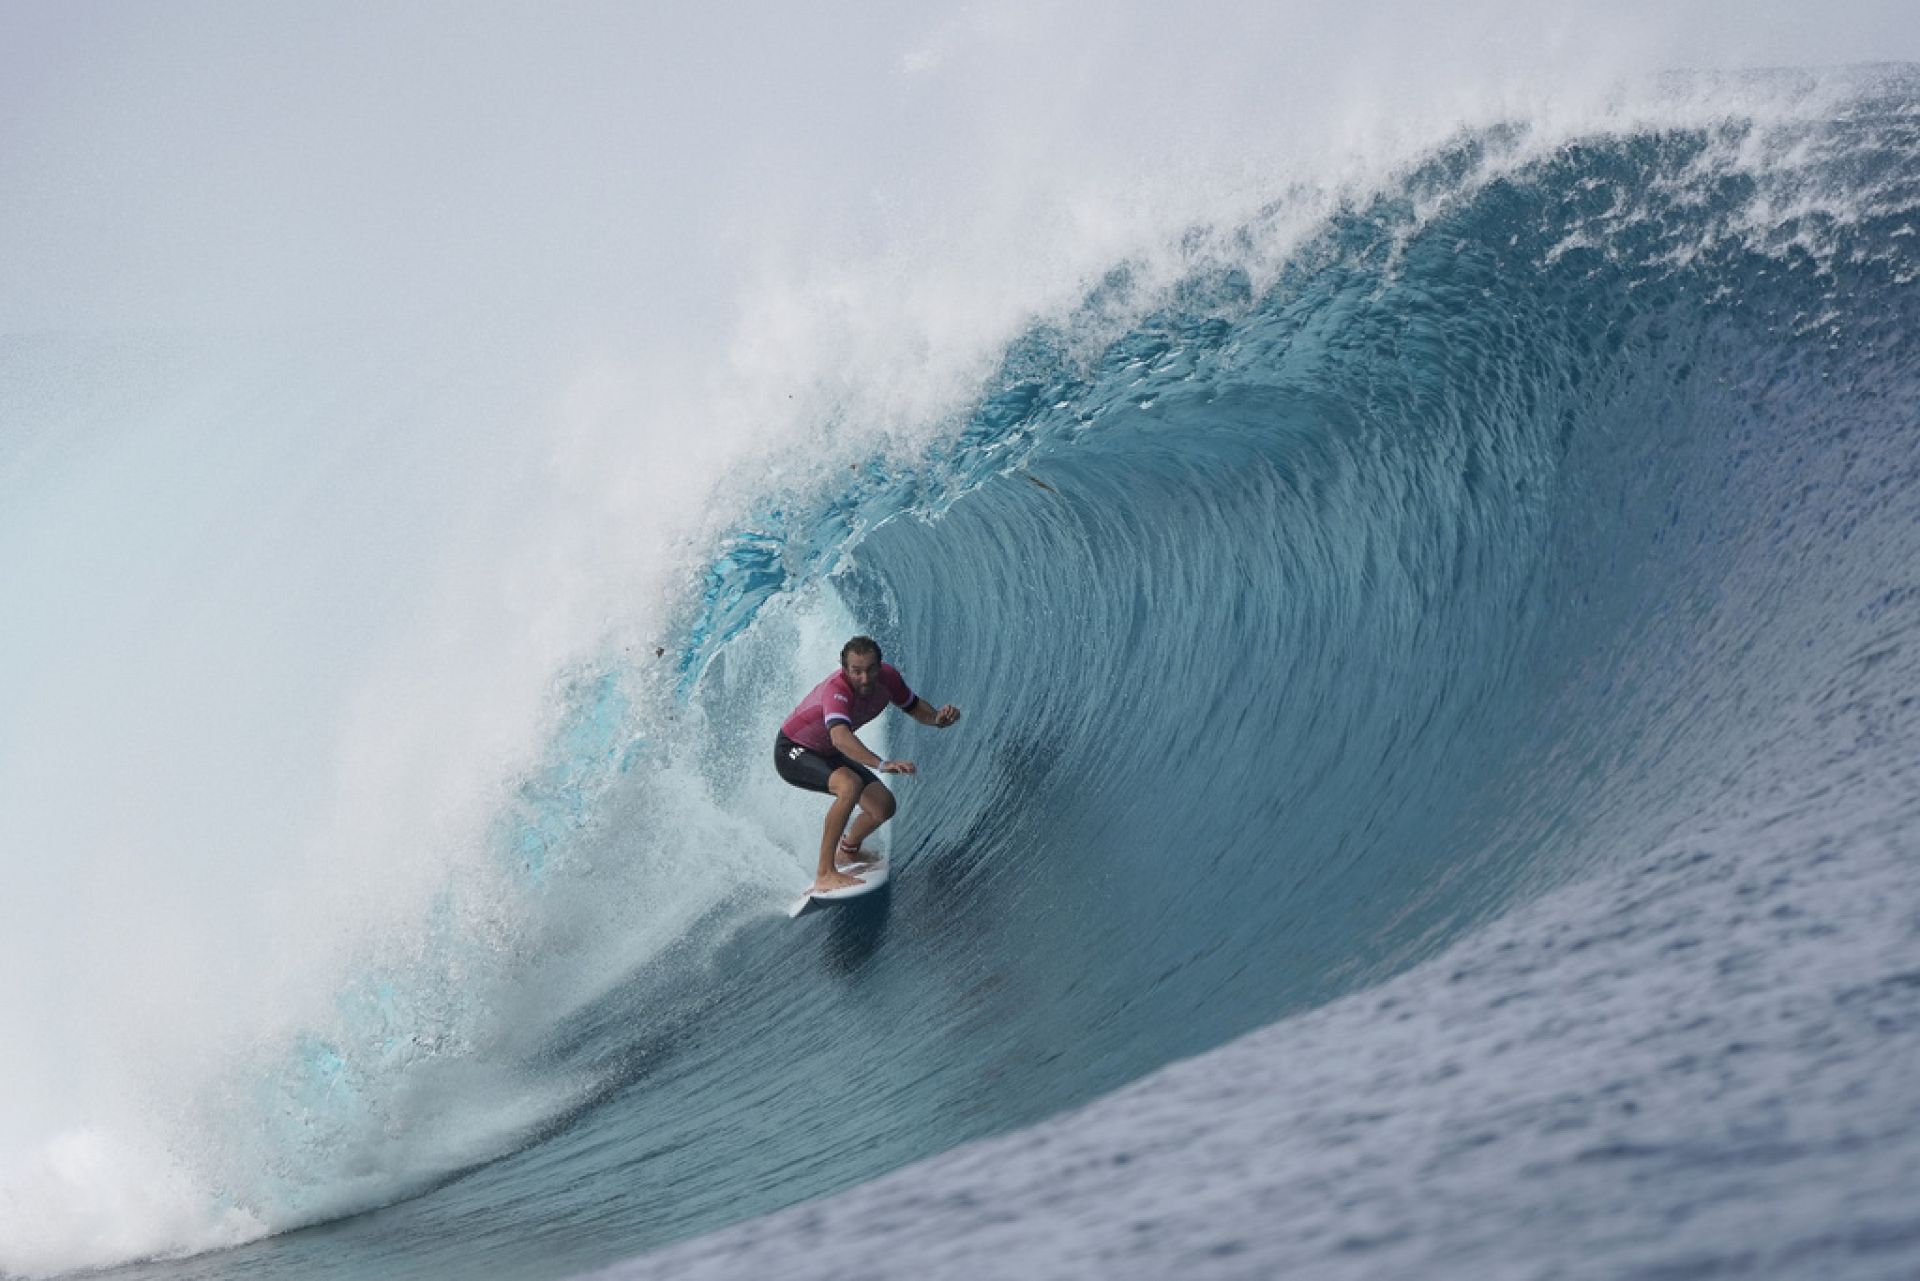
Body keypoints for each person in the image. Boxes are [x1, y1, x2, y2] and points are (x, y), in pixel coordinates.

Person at [774, 635, 961, 895]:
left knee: (883, 807)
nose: (865, 678)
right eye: (856, 671)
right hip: (794, 750)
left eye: (870, 669)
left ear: (879, 665)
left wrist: (939, 719)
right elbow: (840, 738)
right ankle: (825, 873)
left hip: (828, 751)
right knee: (849, 785)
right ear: (845, 669)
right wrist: (881, 764)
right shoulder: (836, 690)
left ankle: (849, 850)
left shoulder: (888, 678)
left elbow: (914, 707)